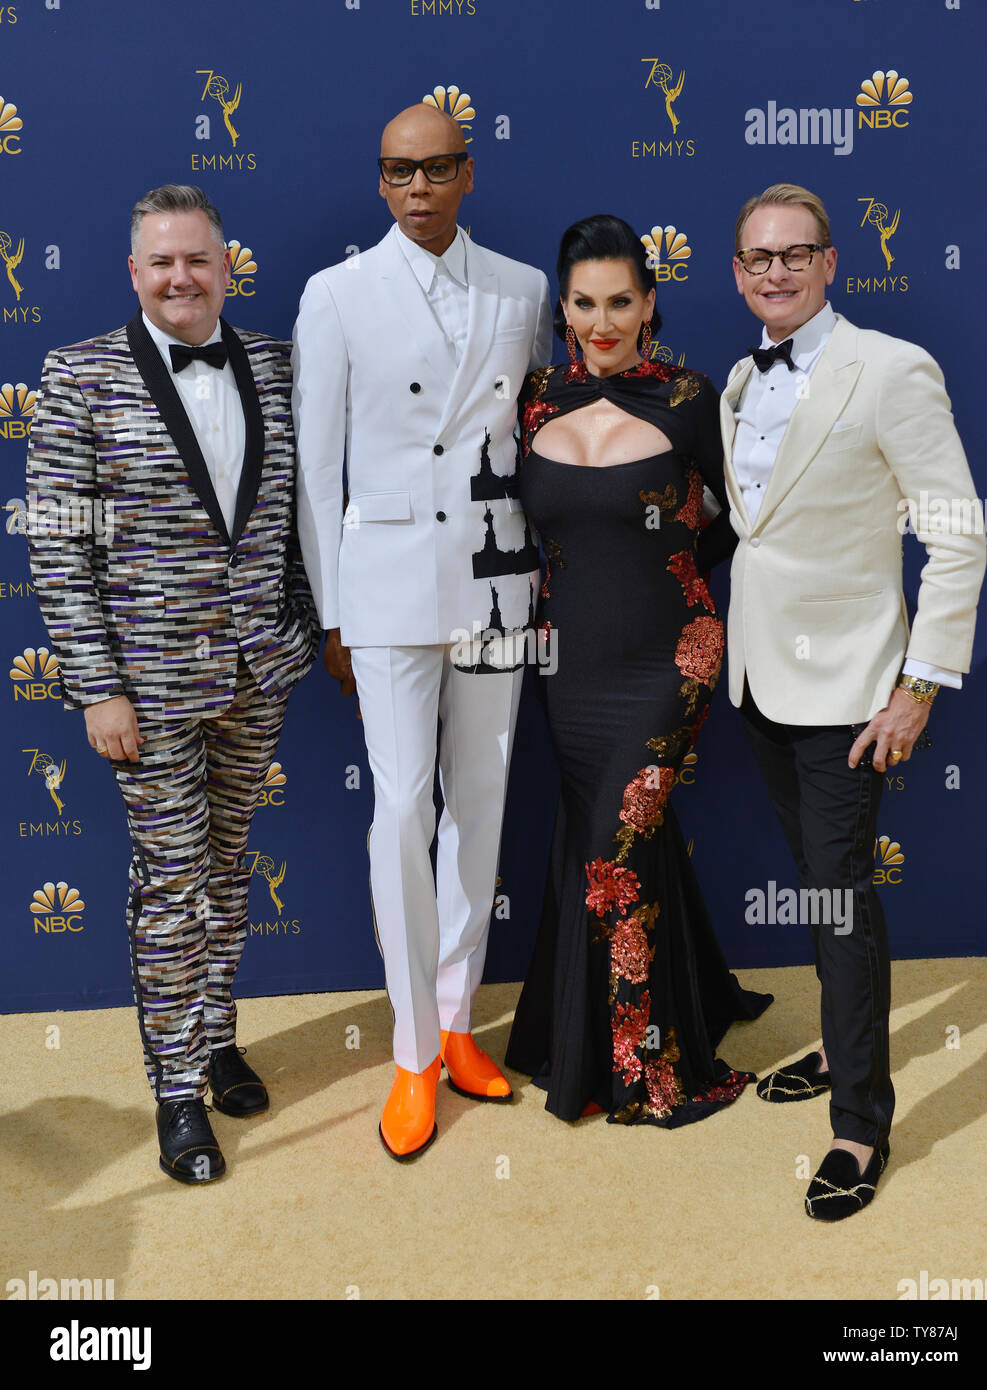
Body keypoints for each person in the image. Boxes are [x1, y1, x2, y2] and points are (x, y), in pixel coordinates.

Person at [26, 184, 318, 1184]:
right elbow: (60, 555)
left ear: (227, 266)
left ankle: (216, 1033)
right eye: (161, 263)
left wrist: (309, 631)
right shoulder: (75, 377)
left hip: (257, 670)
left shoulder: (279, 367)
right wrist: (96, 686)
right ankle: (177, 1090)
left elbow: (302, 516)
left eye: (198, 260)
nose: (181, 277)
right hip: (143, 692)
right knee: (173, 883)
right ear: (133, 272)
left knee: (230, 867)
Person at [293, 103, 552, 1160]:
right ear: (383, 179)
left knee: (481, 805)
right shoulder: (338, 294)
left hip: (495, 581)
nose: (417, 188)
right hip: (390, 581)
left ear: (468, 174)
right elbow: (318, 467)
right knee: (401, 806)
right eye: (399, 171)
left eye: (438, 168)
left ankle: (457, 1019)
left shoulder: (525, 288)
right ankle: (409, 1049)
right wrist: (334, 610)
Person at [722, 183, 986, 1219]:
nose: (776, 270)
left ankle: (861, 1125)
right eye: (757, 257)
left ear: (833, 262)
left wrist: (920, 685)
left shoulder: (890, 370)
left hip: (852, 690)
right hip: (761, 681)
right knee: (820, 881)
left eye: (796, 253)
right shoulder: (743, 377)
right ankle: (841, 1038)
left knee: (836, 892)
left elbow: (957, 532)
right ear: (737, 272)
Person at [505, 215, 772, 1126]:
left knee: (616, 852)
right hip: (567, 666)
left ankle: (644, 1069)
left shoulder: (691, 398)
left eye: (622, 300)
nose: (604, 319)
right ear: (565, 308)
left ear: (651, 301)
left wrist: (684, 581)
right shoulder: (535, 397)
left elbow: (737, 518)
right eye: (585, 302)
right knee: (608, 840)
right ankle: (610, 1023)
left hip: (668, 661)